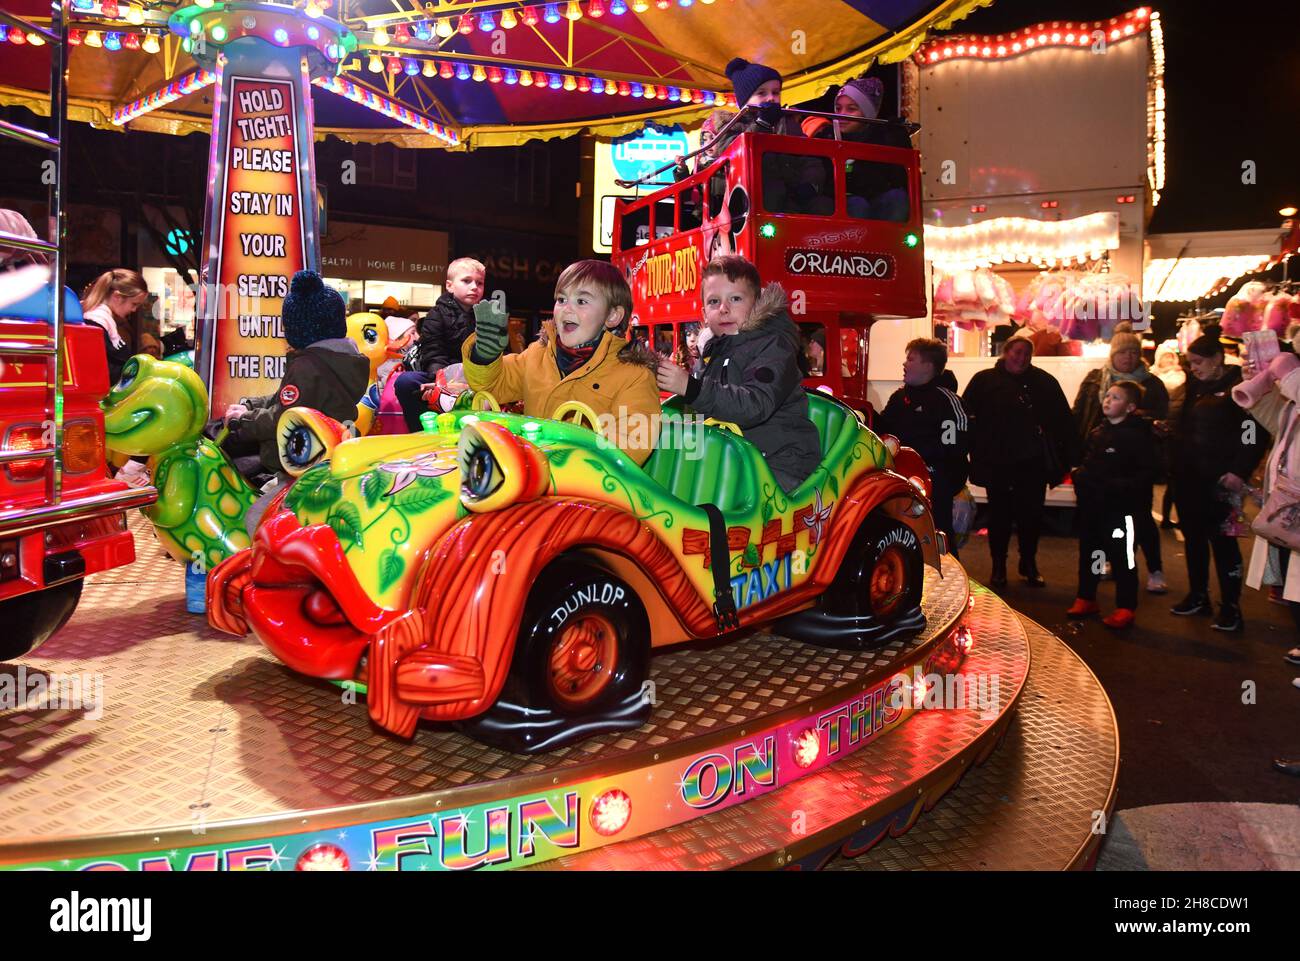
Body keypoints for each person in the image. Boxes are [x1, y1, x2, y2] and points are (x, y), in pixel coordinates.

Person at [462, 259, 662, 465]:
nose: (566, 309)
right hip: (533, 479)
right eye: (561, 299)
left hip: (591, 489)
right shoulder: (537, 355)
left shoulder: (634, 376)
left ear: (612, 316)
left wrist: (566, 450)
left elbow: (632, 444)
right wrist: (484, 355)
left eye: (581, 301)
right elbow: (493, 385)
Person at [656, 255, 821, 493]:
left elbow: (755, 404)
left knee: (719, 500)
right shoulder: (714, 351)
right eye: (714, 302)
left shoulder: (773, 346)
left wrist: (691, 388)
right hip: (732, 456)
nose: (723, 308)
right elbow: (703, 411)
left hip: (778, 462)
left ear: (756, 303)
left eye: (735, 298)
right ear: (704, 313)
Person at [222, 270, 369, 481]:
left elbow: (284, 419)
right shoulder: (341, 360)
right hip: (328, 457)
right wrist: (252, 405)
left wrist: (243, 420)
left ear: (298, 327)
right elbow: (287, 399)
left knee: (255, 513)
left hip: (301, 466)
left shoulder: (307, 367)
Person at [1167, 324, 1268, 632]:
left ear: (1217, 358)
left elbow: (1254, 433)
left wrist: (1240, 471)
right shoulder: (1193, 387)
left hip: (1221, 480)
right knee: (1195, 539)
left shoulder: (1239, 387)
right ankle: (1198, 596)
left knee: (1223, 545)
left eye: (1198, 362)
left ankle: (1231, 606)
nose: (1193, 368)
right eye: (1191, 362)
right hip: (1188, 477)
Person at [963, 329, 1075, 589]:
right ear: (1006, 353)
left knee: (1031, 515)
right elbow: (966, 417)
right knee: (999, 515)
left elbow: (1063, 421)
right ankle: (998, 566)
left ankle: (1029, 563)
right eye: (1017, 352)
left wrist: (1066, 455)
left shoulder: (1044, 382)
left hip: (1032, 463)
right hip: (997, 462)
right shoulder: (984, 381)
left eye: (1026, 353)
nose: (1021, 358)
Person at [1071, 324, 1171, 592]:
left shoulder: (1152, 384)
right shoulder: (1095, 379)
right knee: (1102, 520)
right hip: (1101, 461)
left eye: (1132, 352)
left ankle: (1155, 569)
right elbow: (1080, 414)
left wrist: (1147, 423)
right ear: (1113, 354)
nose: (1127, 357)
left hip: (1135, 463)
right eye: (1122, 352)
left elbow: (1164, 418)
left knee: (1141, 518)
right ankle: (1108, 563)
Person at [1067, 381, 1159, 629]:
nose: (1108, 401)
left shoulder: (1139, 437)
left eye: (1115, 398)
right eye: (1107, 396)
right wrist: (1080, 477)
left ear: (1130, 407)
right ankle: (1087, 597)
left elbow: (1146, 473)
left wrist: (1114, 486)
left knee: (1123, 559)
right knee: (1091, 553)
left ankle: (1125, 606)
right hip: (1093, 508)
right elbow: (1088, 463)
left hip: (1122, 510)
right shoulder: (1098, 432)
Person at [875, 338, 970, 555]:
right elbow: (886, 430)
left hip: (934, 484)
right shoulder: (900, 397)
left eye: (910, 359)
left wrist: (933, 472)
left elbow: (954, 448)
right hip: (899, 480)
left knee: (937, 533)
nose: (904, 364)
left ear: (928, 366)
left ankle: (946, 580)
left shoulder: (948, 402)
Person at [395, 257, 486, 431]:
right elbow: (434, 353)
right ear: (449, 285)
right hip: (442, 375)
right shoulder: (435, 315)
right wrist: (444, 383)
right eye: (466, 281)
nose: (474, 287)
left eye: (479, 283)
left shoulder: (487, 315)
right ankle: (422, 430)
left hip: (477, 378)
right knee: (406, 382)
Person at [814, 77, 912, 221]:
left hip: (874, 201)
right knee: (857, 205)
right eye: (838, 108)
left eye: (851, 109)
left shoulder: (883, 137)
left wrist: (899, 136)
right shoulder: (826, 136)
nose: (841, 115)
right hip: (838, 204)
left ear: (868, 113)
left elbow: (899, 177)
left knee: (897, 199)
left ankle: (887, 242)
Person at [80, 268, 148, 383]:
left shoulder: (103, 321)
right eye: (134, 304)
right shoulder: (96, 322)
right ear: (117, 296)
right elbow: (103, 369)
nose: (134, 309)